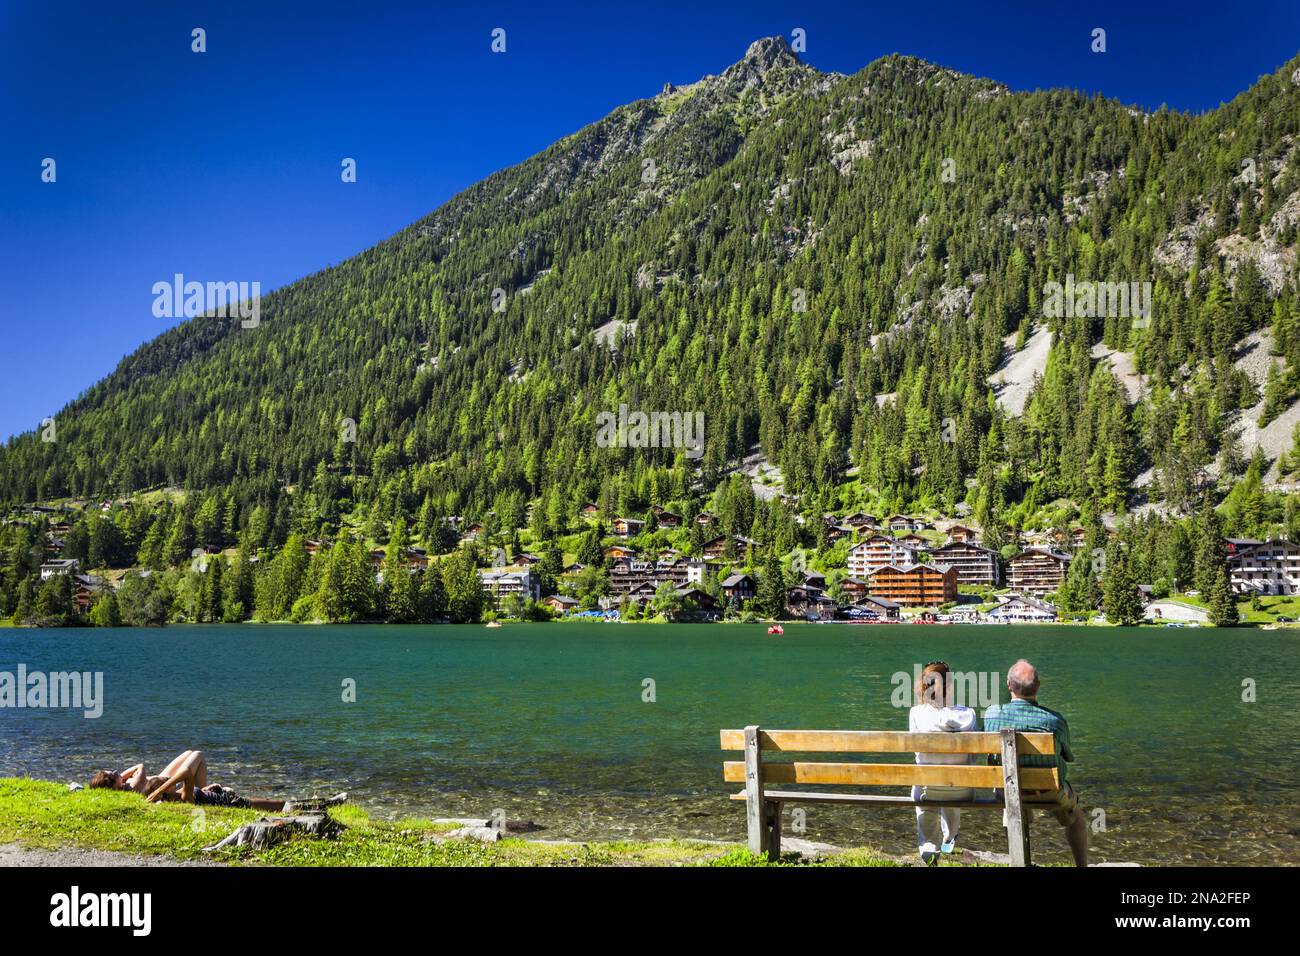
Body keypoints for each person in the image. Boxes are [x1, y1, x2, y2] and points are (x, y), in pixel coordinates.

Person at [982, 660, 1088, 867]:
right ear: (1038, 687)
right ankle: (1082, 866)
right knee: (1076, 815)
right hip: (1048, 790)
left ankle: (1020, 861)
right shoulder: (1055, 721)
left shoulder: (992, 714)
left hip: (1007, 790)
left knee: (1011, 799)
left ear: (1009, 685)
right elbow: (1069, 757)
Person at [88, 750, 346, 813]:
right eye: (113, 778)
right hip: (225, 801)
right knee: (278, 805)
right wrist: (162, 789)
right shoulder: (184, 797)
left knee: (279, 805)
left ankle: (322, 803)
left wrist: (161, 792)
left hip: (214, 796)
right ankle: (324, 804)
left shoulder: (182, 796)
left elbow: (187, 779)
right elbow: (186, 776)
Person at [908, 660, 979, 864]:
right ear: (949, 686)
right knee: (952, 780)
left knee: (926, 791)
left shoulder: (916, 713)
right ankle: (950, 836)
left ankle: (930, 844)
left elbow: (916, 752)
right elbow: (973, 756)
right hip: (962, 790)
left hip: (926, 789)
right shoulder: (968, 714)